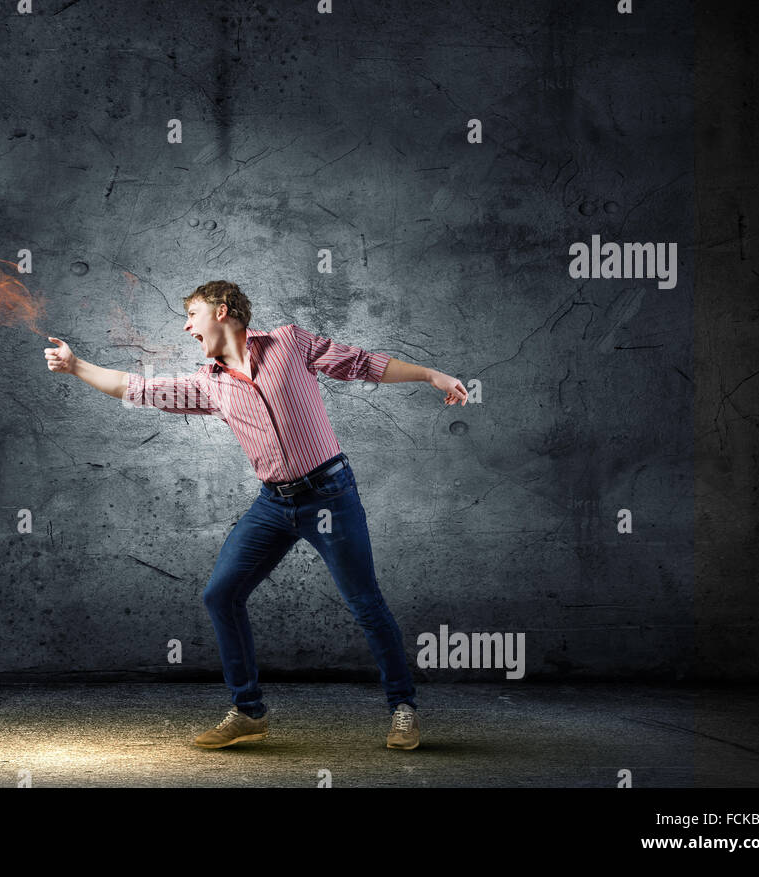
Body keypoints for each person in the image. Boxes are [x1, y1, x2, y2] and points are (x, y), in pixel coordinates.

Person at [44, 280, 466, 750]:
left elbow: (363, 364)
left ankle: (402, 707)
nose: (186, 326)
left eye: (192, 315)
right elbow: (137, 388)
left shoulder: (290, 342)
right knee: (220, 595)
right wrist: (77, 366)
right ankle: (248, 712)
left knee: (365, 604)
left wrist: (431, 375)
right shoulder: (210, 385)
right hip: (274, 504)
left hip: (330, 495)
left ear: (223, 311)